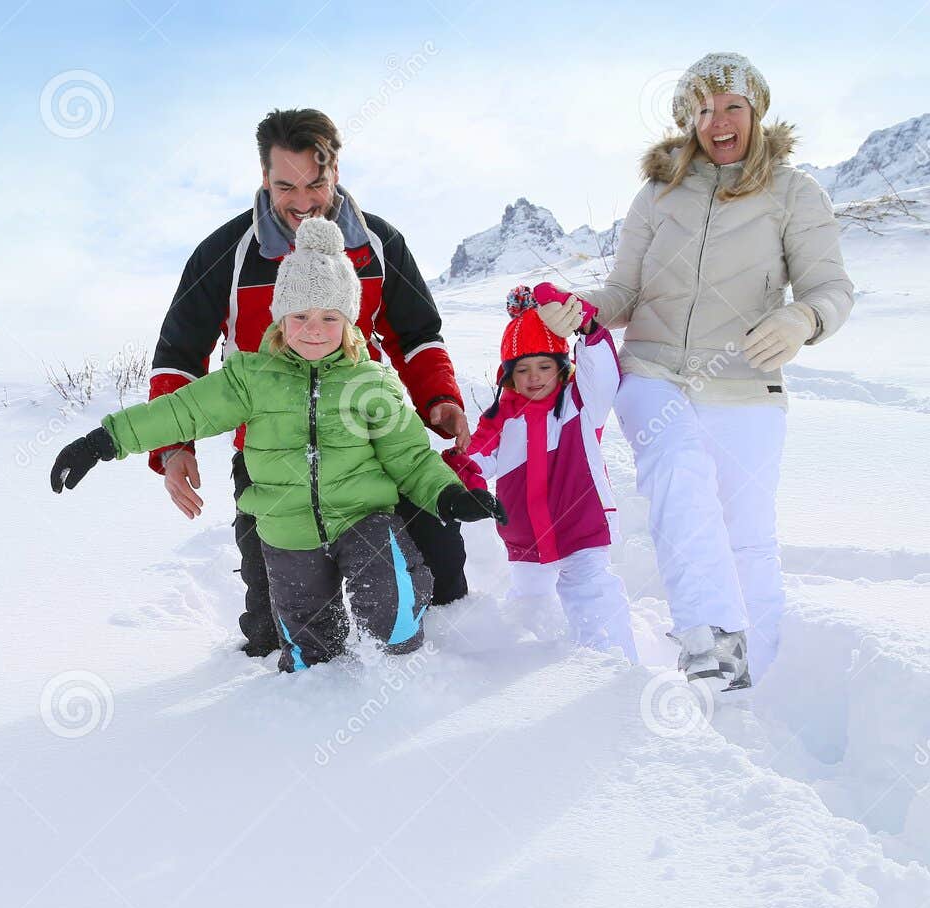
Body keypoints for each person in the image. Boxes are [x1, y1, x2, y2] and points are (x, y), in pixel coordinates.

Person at [51, 217, 504, 674]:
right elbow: (179, 410)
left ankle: (405, 676)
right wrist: (103, 442)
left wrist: (450, 496)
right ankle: (308, 711)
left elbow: (409, 458)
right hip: (286, 535)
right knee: (309, 651)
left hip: (363, 519)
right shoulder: (249, 378)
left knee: (388, 598)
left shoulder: (370, 381)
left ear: (348, 323)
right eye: (300, 315)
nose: (314, 329)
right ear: (279, 318)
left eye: (329, 317)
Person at [570, 53, 853, 690]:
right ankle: (710, 641)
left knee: (748, 535)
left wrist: (801, 319)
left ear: (755, 110)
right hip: (652, 370)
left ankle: (763, 687)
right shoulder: (658, 193)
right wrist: (581, 311)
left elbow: (831, 287)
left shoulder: (794, 192)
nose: (717, 121)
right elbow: (623, 292)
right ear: (686, 118)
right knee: (679, 476)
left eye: (731, 106)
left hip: (746, 379)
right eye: (702, 109)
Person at [148, 108, 474, 658]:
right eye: (285, 186)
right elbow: (179, 355)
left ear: (336, 171)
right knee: (274, 633)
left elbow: (417, 334)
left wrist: (439, 398)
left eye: (316, 183)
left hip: (369, 441)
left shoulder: (379, 245)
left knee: (440, 576)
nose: (302, 201)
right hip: (270, 456)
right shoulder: (224, 256)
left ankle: (435, 680)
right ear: (263, 178)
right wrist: (174, 444)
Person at [445, 285, 638, 661]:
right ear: (508, 376)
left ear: (562, 367)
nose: (534, 377)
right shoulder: (501, 418)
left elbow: (603, 375)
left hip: (581, 523)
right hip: (524, 533)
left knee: (590, 589)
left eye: (545, 366)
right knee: (529, 603)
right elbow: (477, 457)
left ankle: (614, 666)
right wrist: (465, 475)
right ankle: (528, 665)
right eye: (522, 369)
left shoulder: (582, 405)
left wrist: (587, 326)